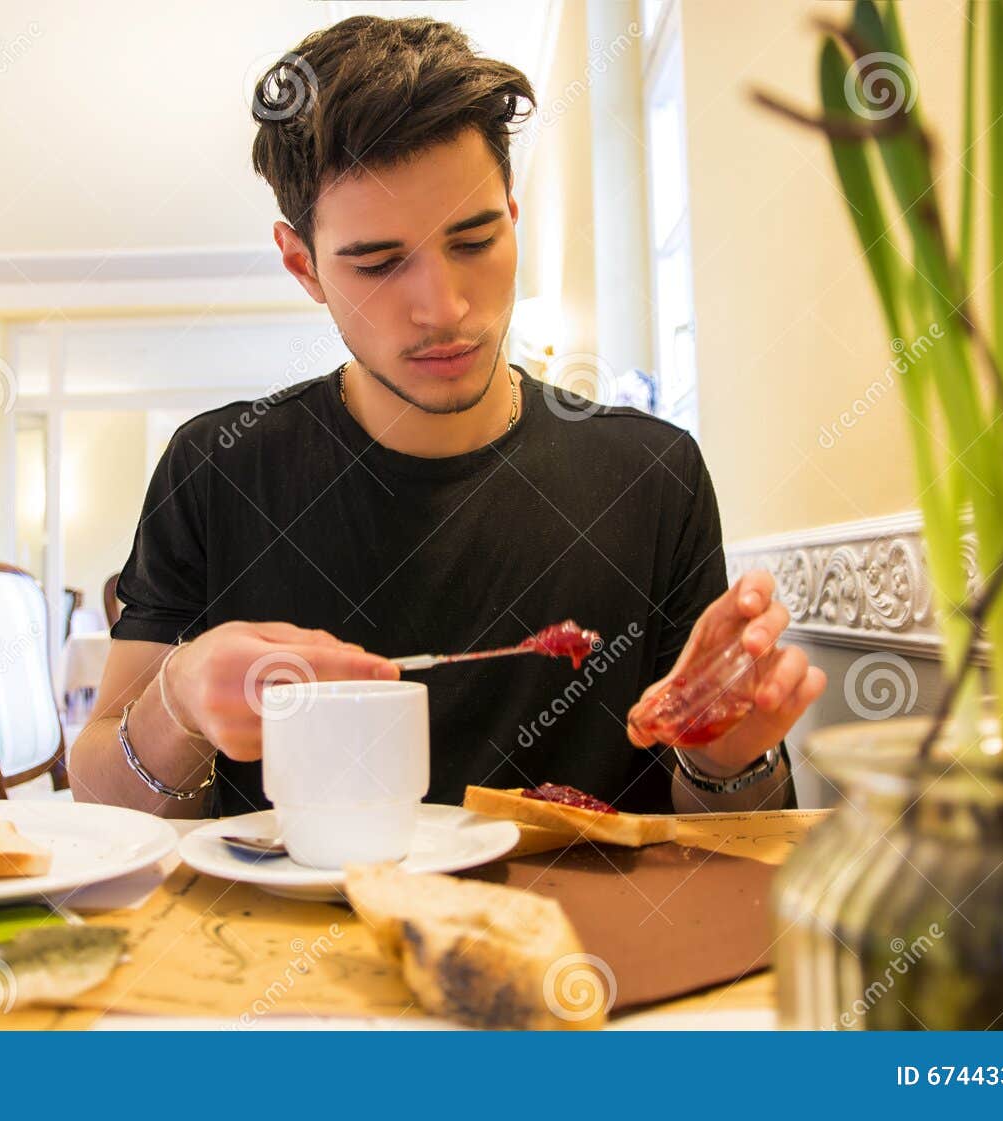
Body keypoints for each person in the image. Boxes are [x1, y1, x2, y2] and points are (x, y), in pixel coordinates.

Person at [70, 15, 826, 820]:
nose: (444, 307)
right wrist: (176, 706)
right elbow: (106, 804)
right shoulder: (217, 468)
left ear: (512, 213)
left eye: (473, 240)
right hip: (281, 939)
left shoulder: (652, 474)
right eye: (379, 262)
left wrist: (722, 759)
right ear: (304, 266)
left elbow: (728, 843)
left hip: (585, 945)